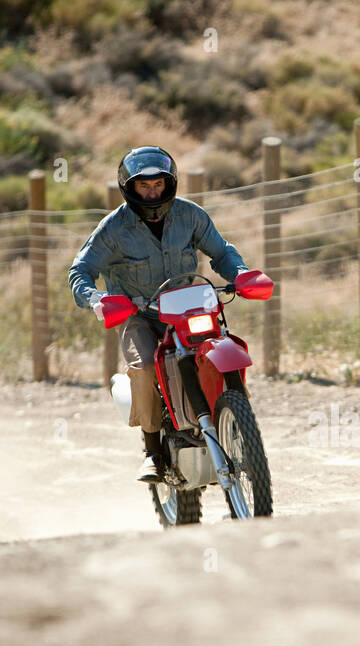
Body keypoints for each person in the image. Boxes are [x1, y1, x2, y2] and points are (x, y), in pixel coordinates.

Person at [68, 145, 252, 482]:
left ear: (170, 184)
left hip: (187, 307)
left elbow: (221, 252)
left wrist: (239, 274)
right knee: (148, 365)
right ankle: (153, 452)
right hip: (137, 313)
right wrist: (97, 299)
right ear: (130, 187)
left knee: (222, 345)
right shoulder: (113, 229)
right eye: (144, 186)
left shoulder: (190, 216)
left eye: (158, 185)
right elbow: (80, 271)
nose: (152, 193)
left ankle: (238, 422)